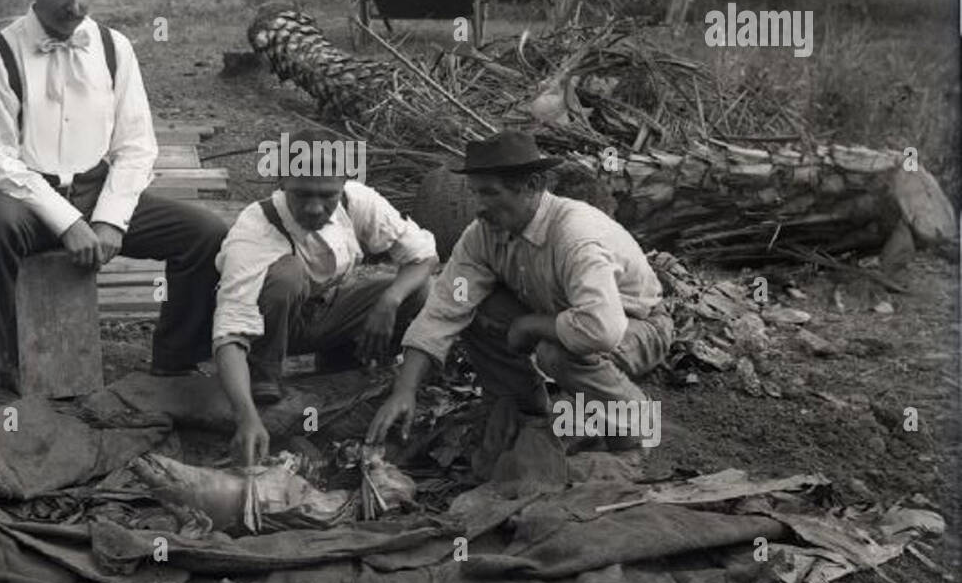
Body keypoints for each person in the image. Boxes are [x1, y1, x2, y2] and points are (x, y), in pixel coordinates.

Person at [0, 0, 228, 417]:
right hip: (25, 198)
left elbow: (137, 147)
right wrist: (66, 221)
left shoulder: (114, 49)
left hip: (98, 190)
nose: (74, 7)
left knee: (206, 234)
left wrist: (110, 220)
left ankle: (176, 360)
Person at [367, 129, 673, 453]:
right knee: (476, 310)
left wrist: (530, 325)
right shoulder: (482, 236)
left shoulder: (575, 235)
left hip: (637, 325)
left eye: (491, 194)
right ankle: (527, 412)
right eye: (476, 194)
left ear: (531, 187)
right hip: (565, 316)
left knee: (557, 353)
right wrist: (405, 389)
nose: (480, 207)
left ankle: (636, 425)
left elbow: (602, 329)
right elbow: (447, 305)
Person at [212, 130, 439, 465]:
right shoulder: (255, 229)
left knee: (418, 289)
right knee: (286, 275)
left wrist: (389, 300)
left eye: (327, 195)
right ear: (282, 182)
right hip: (273, 325)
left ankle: (365, 368)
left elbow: (424, 256)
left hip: (326, 309)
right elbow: (230, 332)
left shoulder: (357, 200)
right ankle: (264, 377)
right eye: (302, 195)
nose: (315, 207)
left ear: (343, 184)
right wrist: (245, 417)